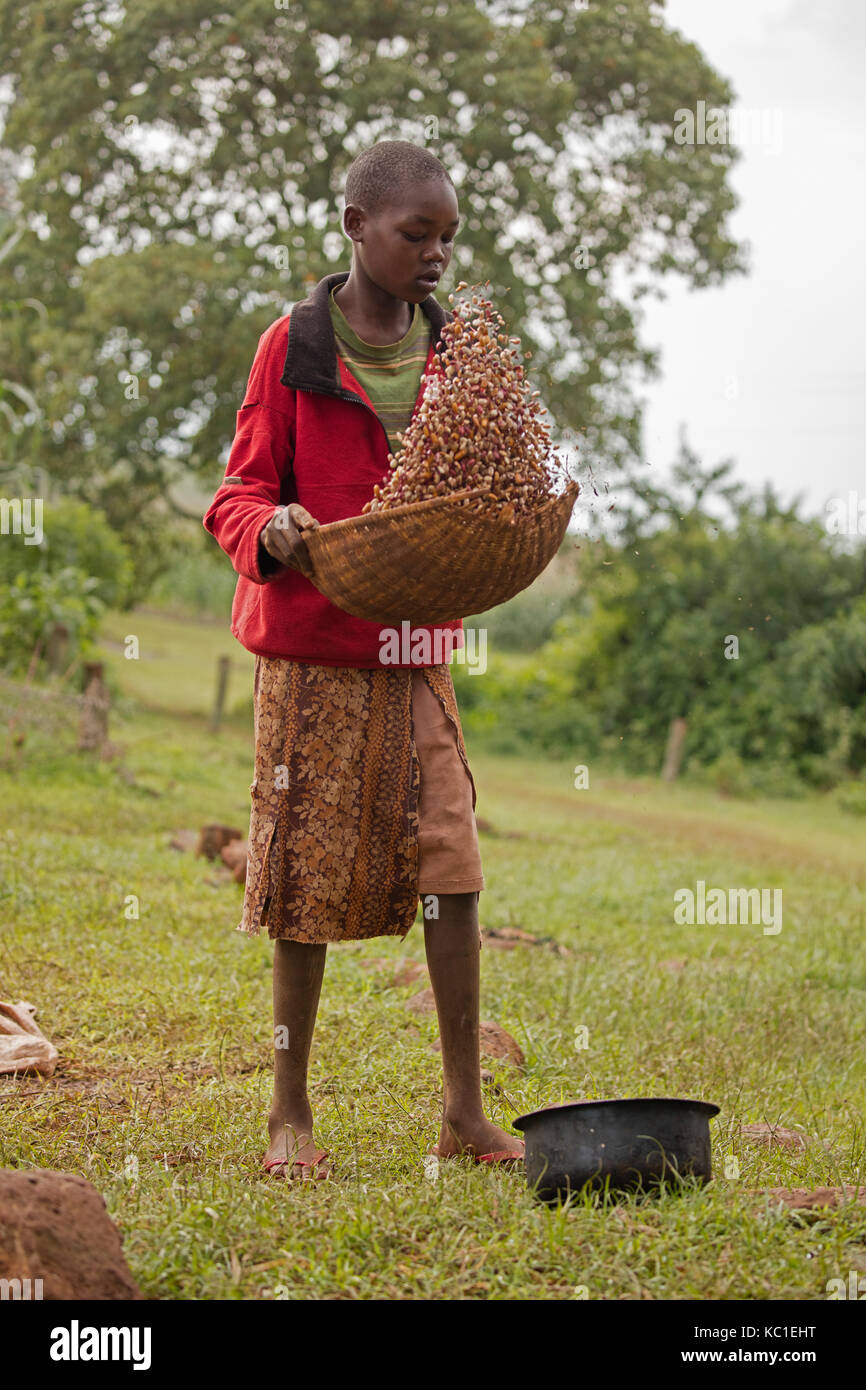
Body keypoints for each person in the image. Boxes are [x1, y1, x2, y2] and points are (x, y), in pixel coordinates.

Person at [203, 139, 524, 1180]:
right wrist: (278, 531)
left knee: (453, 873)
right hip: (311, 654)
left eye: (446, 238)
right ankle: (287, 1113)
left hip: (411, 652)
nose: (433, 256)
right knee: (301, 885)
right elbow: (235, 495)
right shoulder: (289, 347)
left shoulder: (455, 356)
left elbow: (483, 491)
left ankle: (463, 1114)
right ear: (354, 227)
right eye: (412, 234)